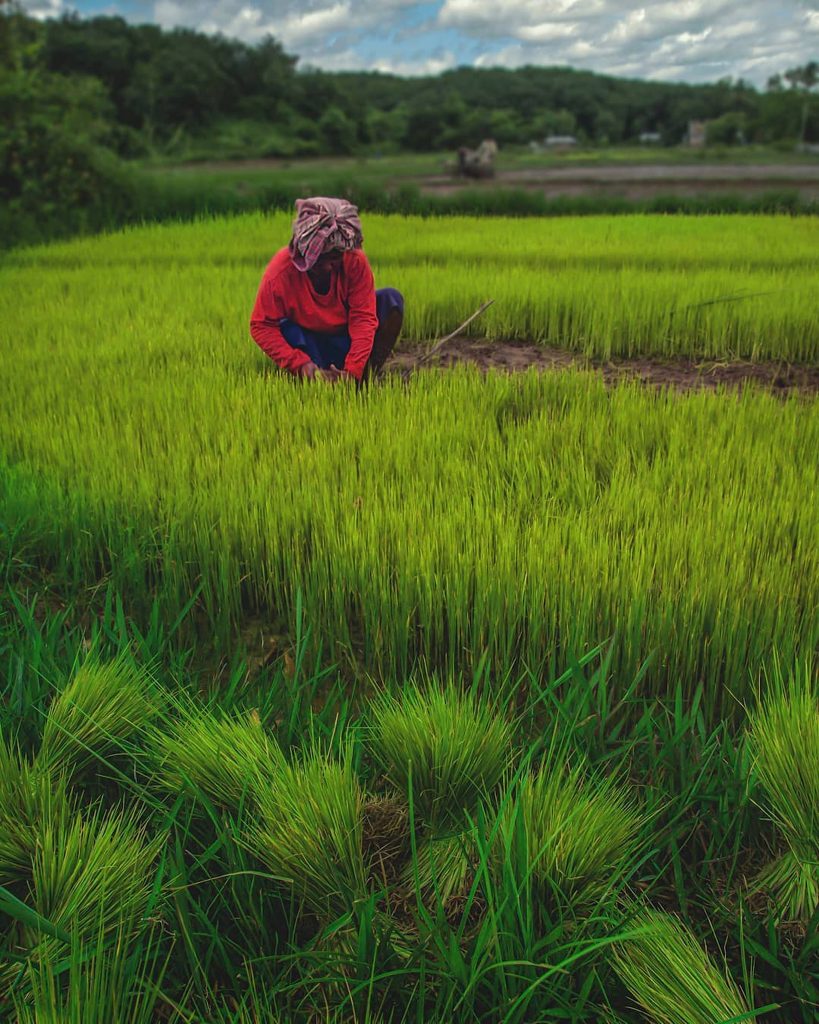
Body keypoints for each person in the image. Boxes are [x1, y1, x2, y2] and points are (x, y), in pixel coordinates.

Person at [250, 196, 403, 383]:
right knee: (285, 327)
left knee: (391, 300)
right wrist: (299, 364)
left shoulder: (354, 261)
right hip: (307, 342)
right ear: (306, 252)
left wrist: (353, 370)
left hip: (345, 338)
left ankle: (365, 376)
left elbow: (363, 318)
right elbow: (261, 325)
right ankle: (314, 374)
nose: (329, 267)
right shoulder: (282, 272)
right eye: (322, 259)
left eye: (336, 257)